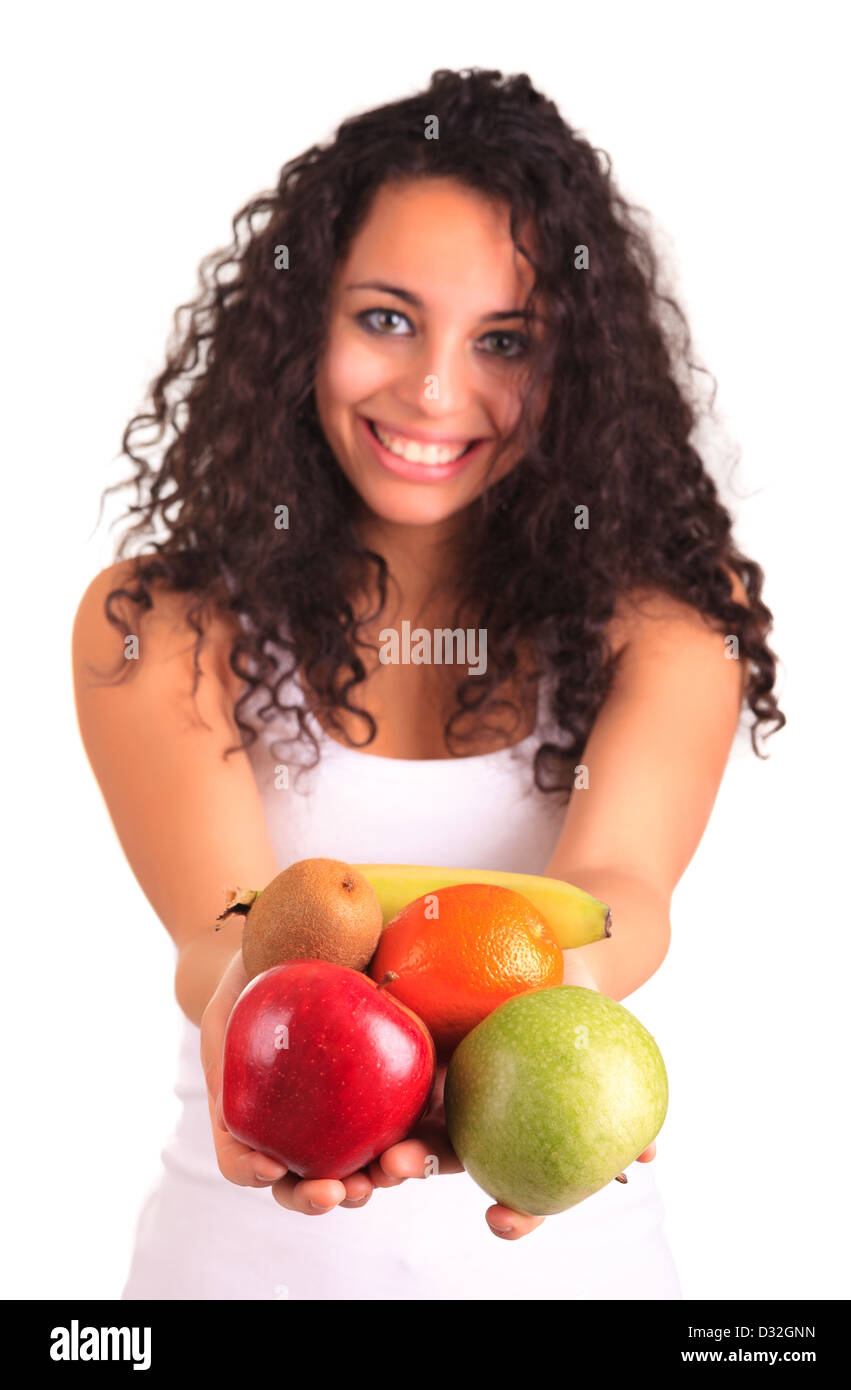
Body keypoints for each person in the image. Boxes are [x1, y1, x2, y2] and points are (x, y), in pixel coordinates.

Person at [71, 67, 785, 1300]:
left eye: (503, 342)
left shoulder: (669, 621)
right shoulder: (159, 625)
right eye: (387, 318)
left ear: (575, 378)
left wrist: (547, 1010)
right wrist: (248, 1002)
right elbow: (217, 928)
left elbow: (619, 890)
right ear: (302, 324)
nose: (435, 391)